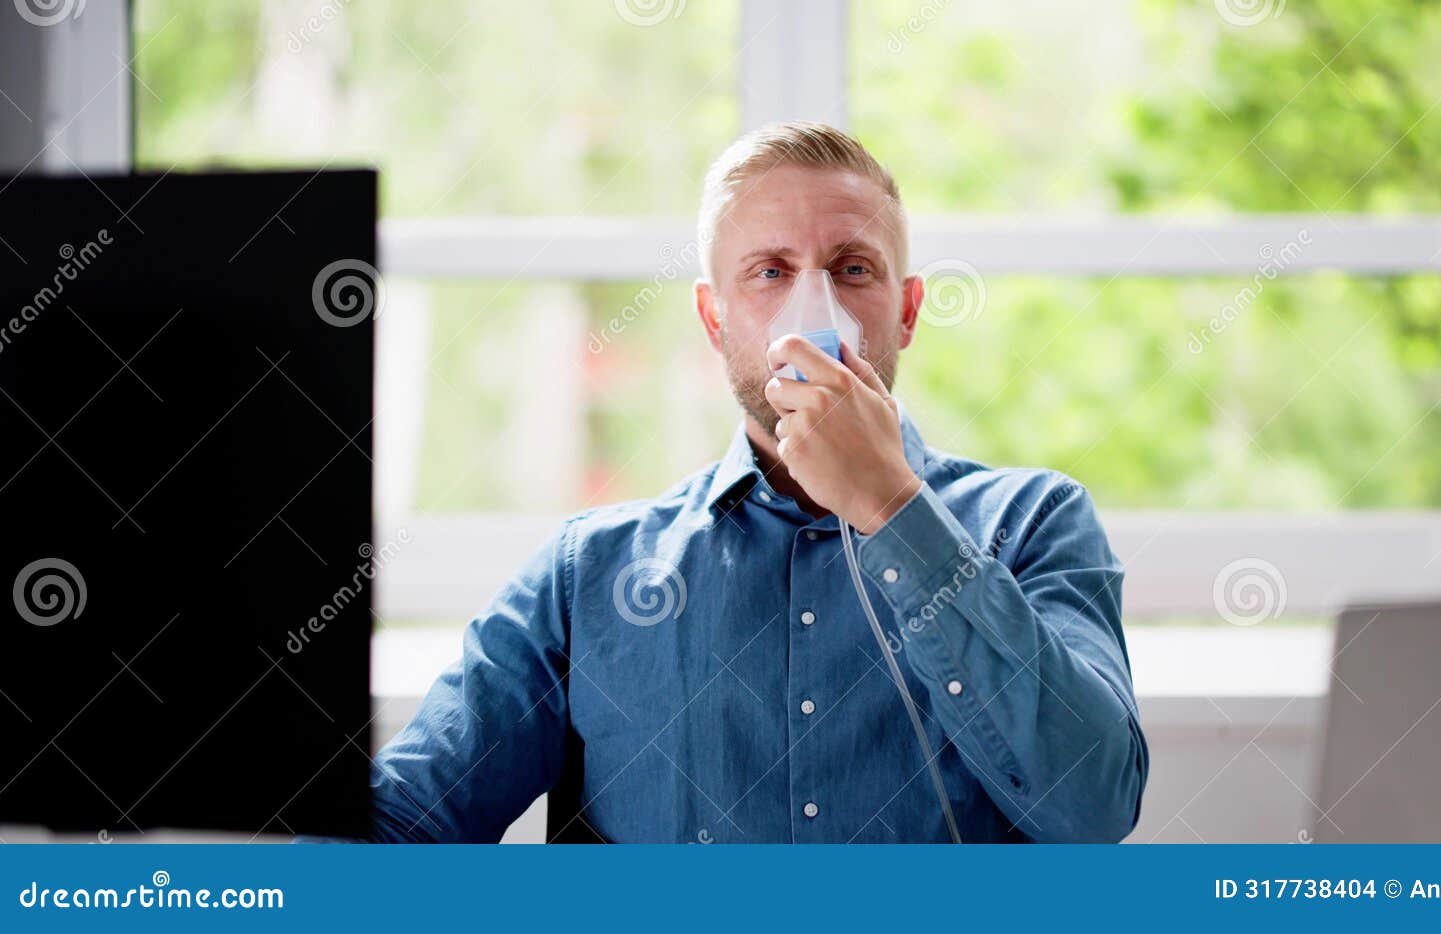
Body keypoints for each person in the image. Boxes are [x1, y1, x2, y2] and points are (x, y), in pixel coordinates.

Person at [357, 122, 1147, 843]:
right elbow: (404, 817)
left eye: (853, 268)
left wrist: (893, 509)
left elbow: (1095, 809)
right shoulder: (588, 574)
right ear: (714, 319)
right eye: (771, 272)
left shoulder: (1032, 522)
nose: (816, 310)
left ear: (906, 312)